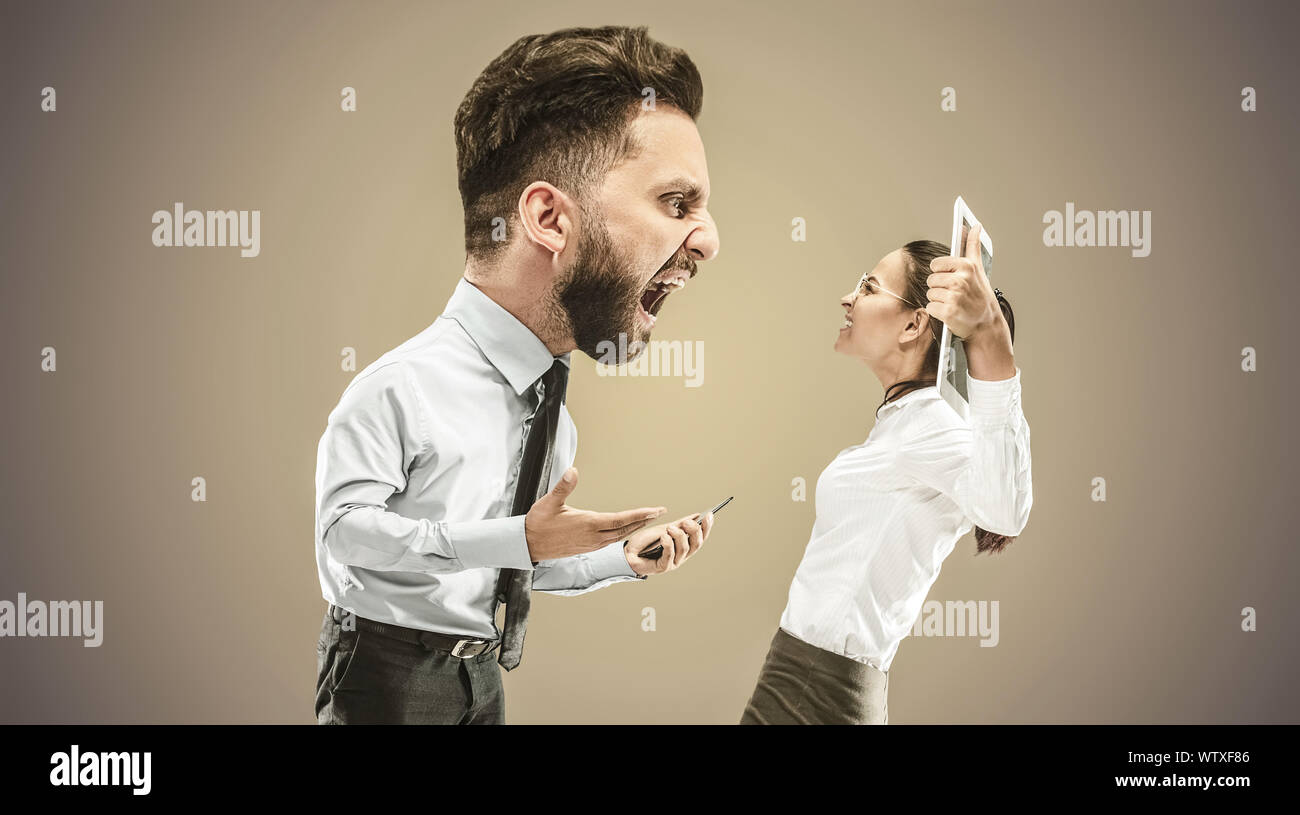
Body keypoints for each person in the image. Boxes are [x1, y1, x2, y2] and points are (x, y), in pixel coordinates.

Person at [314, 26, 721, 725]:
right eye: (677, 204)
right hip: (387, 672)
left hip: (481, 673)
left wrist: (621, 559)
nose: (709, 240)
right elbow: (345, 537)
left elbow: (516, 568)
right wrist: (517, 539)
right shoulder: (400, 388)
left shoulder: (550, 414)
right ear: (547, 218)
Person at [740, 224, 1032, 725]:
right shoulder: (906, 422)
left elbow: (1005, 510)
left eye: (869, 287)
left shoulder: (931, 425)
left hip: (817, 691)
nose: (847, 298)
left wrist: (989, 338)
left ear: (914, 325)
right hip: (798, 676)